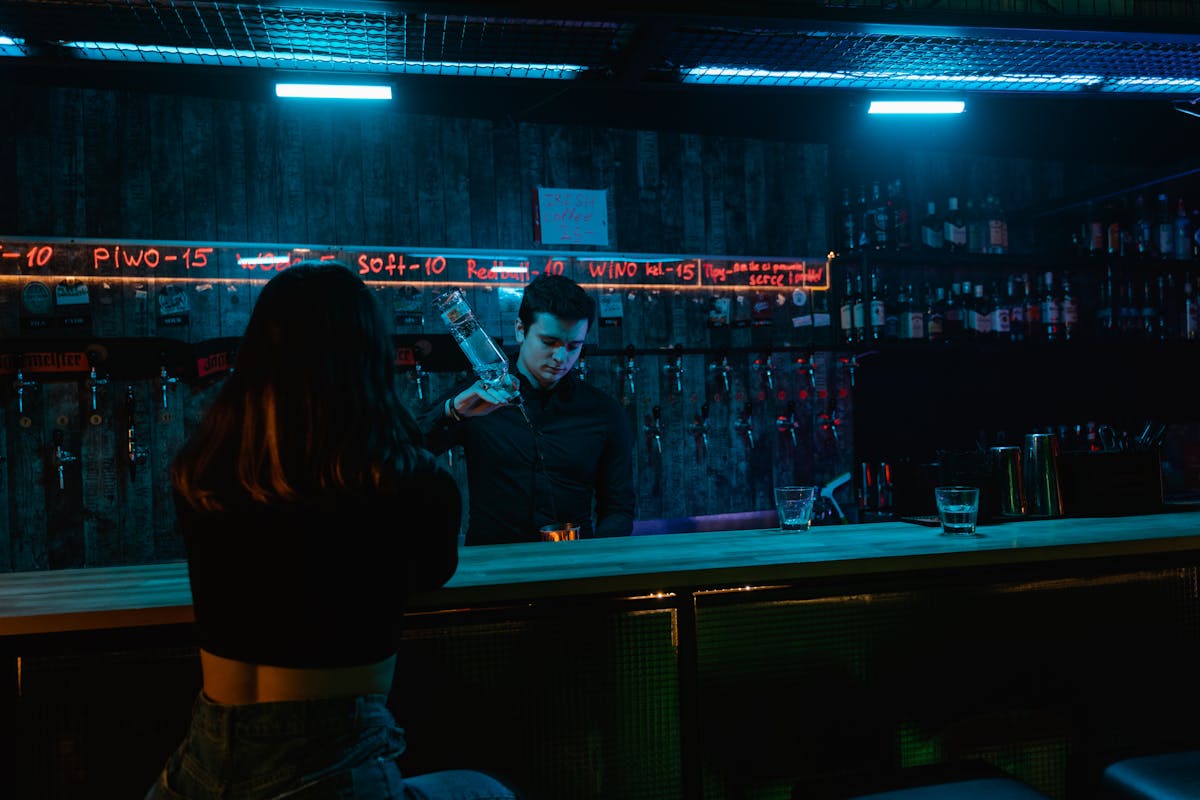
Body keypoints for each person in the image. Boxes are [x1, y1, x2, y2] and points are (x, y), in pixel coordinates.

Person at [146, 261, 517, 800]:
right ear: (369, 357)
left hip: (197, 765)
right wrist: (449, 417)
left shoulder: (204, 473)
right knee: (485, 790)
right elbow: (424, 566)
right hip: (330, 763)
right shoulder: (412, 488)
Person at [421, 273, 634, 545]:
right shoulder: (477, 397)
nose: (561, 358)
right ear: (520, 330)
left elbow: (618, 507)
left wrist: (600, 559)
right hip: (494, 570)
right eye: (549, 342)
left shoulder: (604, 412)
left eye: (573, 346)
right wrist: (451, 411)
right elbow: (403, 450)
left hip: (574, 568)